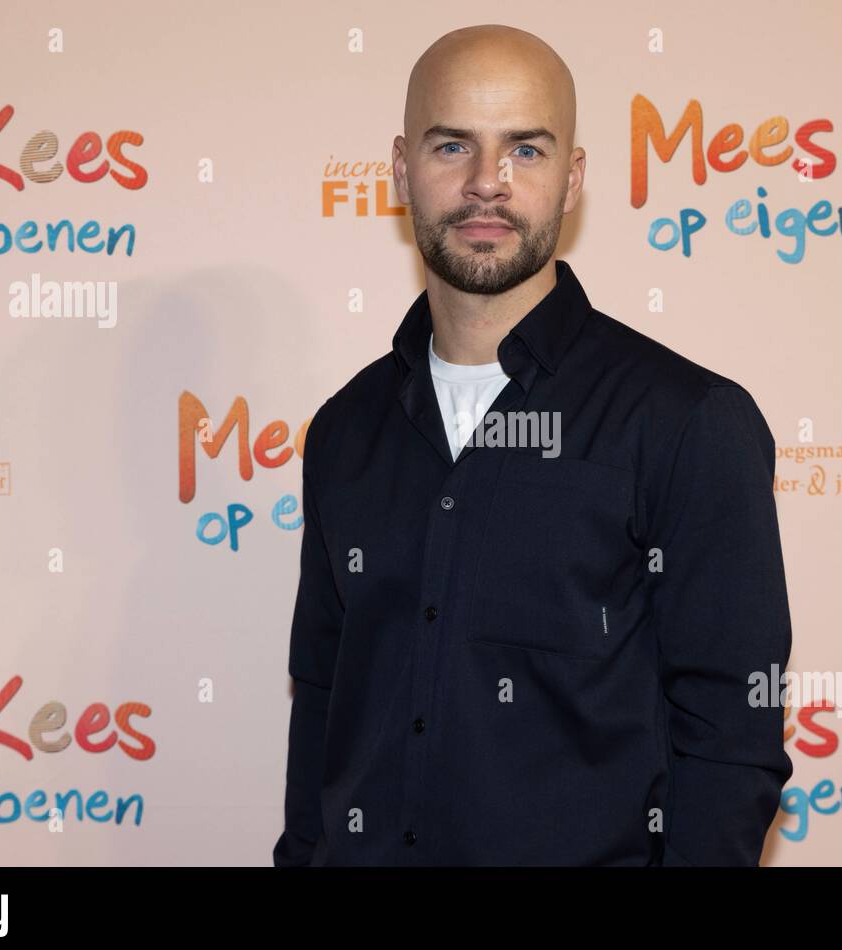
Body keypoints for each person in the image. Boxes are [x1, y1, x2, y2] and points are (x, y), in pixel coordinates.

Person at [274, 23, 794, 866]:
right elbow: (326, 696)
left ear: (573, 178)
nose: (488, 183)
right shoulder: (345, 431)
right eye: (453, 146)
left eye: (525, 148)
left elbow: (731, 739)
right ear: (402, 169)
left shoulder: (686, 421)